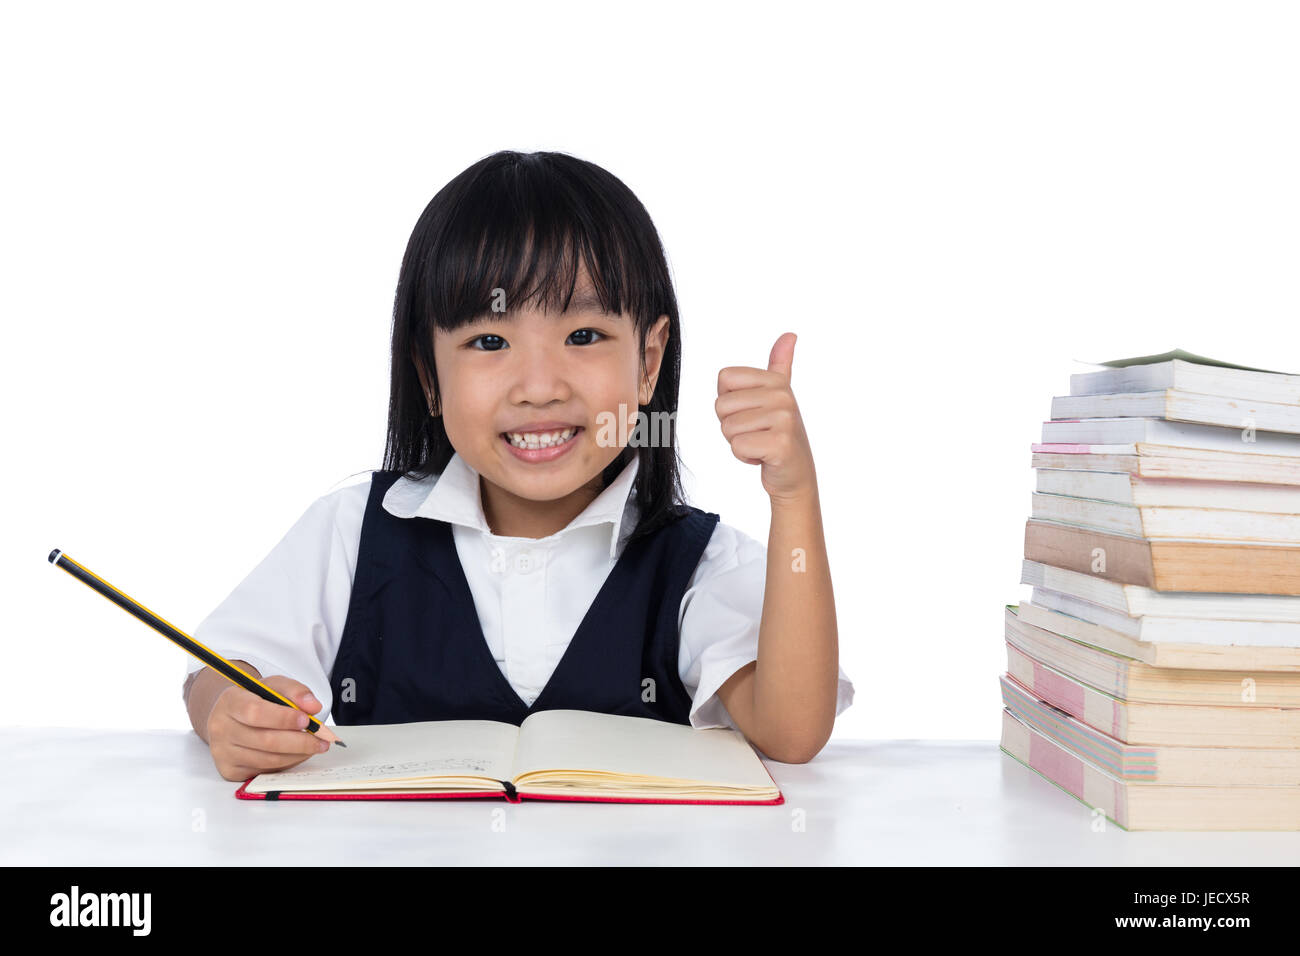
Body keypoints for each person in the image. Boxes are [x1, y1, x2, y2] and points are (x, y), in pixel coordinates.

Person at [183, 150, 854, 782]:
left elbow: (791, 734)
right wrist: (230, 711)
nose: (538, 387)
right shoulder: (355, 532)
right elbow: (217, 672)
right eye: (490, 340)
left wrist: (793, 494)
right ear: (429, 374)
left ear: (648, 363)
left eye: (583, 336)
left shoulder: (698, 564)